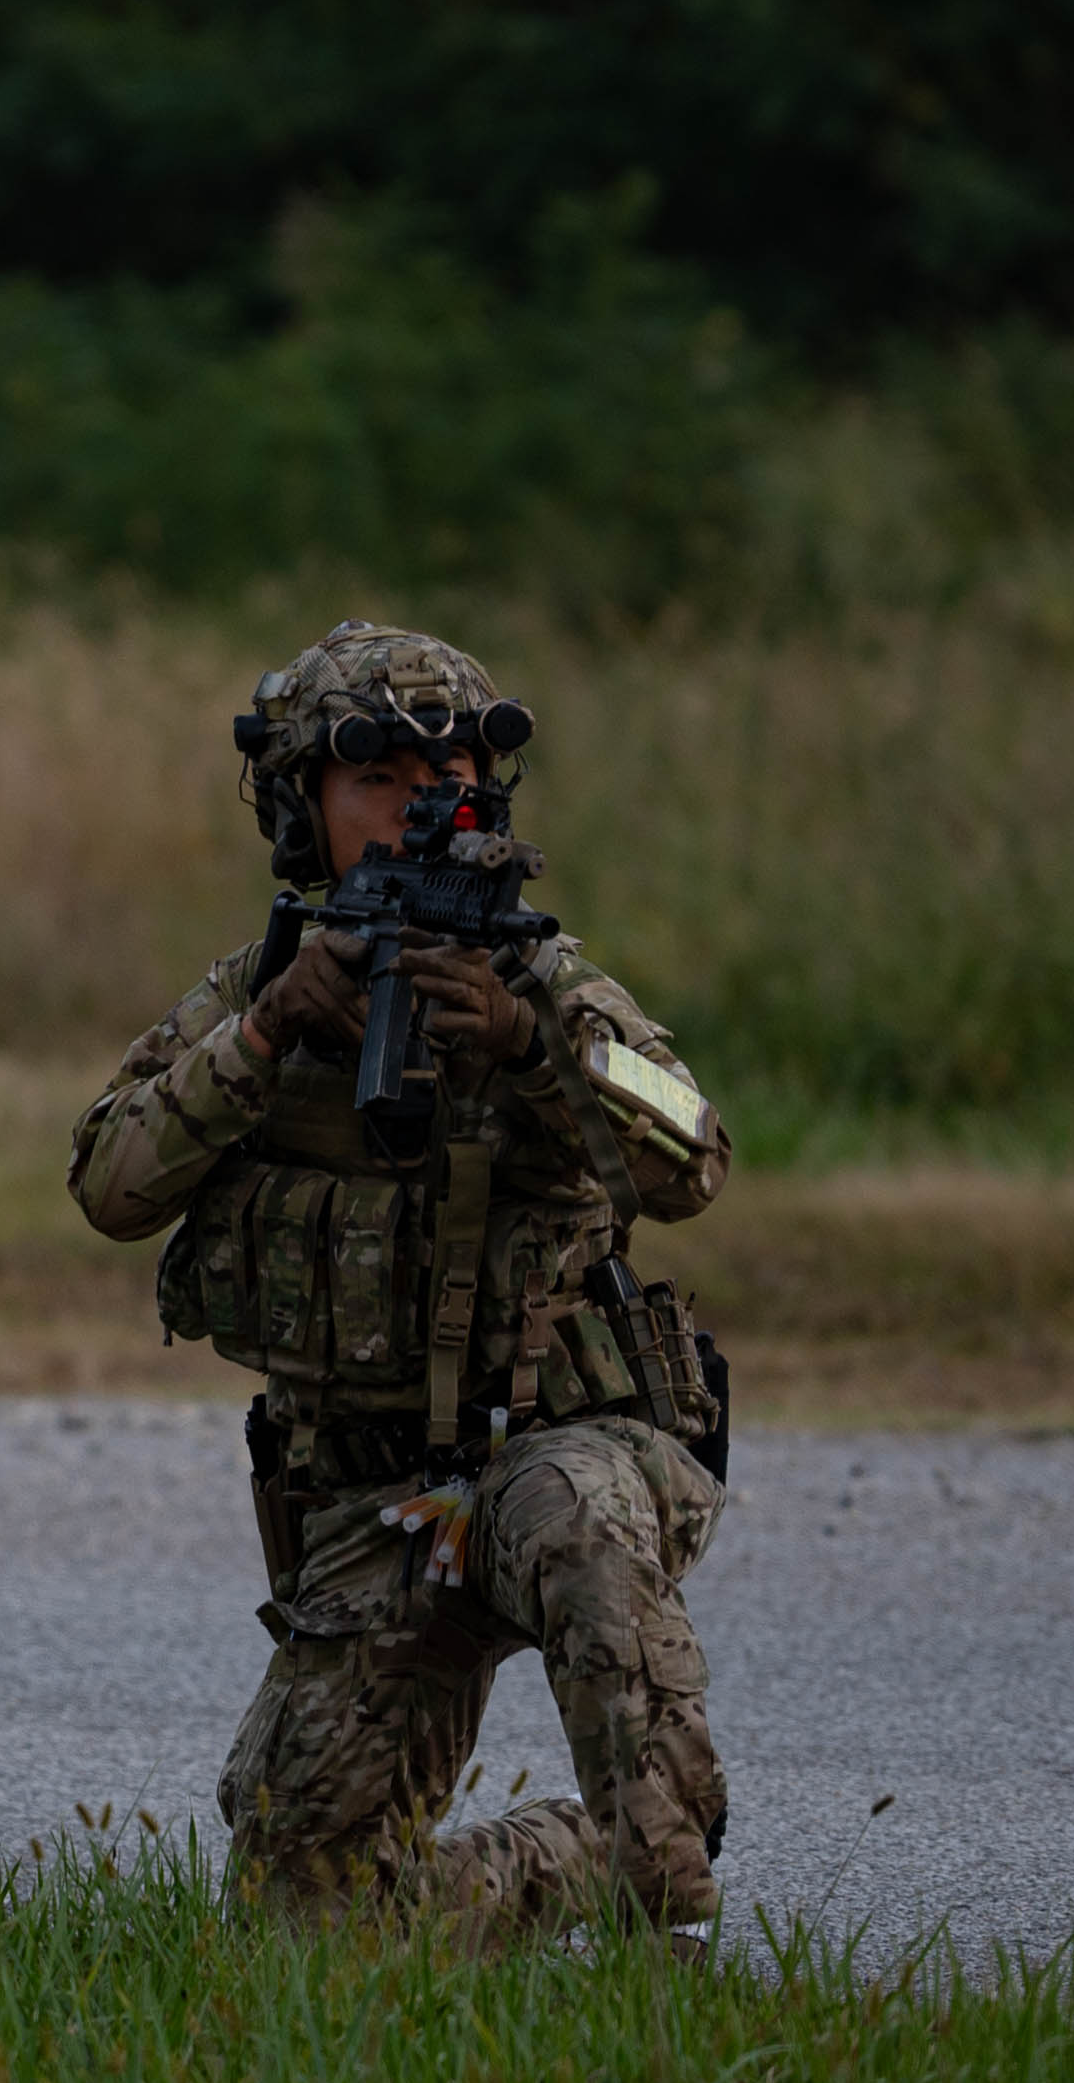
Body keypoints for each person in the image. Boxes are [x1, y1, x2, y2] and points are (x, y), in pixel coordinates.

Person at [70, 621, 737, 1952]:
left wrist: (528, 1044)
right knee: (300, 1919)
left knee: (569, 1514)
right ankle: (581, 1862)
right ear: (299, 804)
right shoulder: (264, 985)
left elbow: (694, 1159)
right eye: (374, 774)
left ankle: (667, 1908)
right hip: (378, 1503)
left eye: (448, 773)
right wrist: (264, 1036)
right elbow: (110, 1182)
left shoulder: (542, 974)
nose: (418, 801)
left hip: (566, 1439)